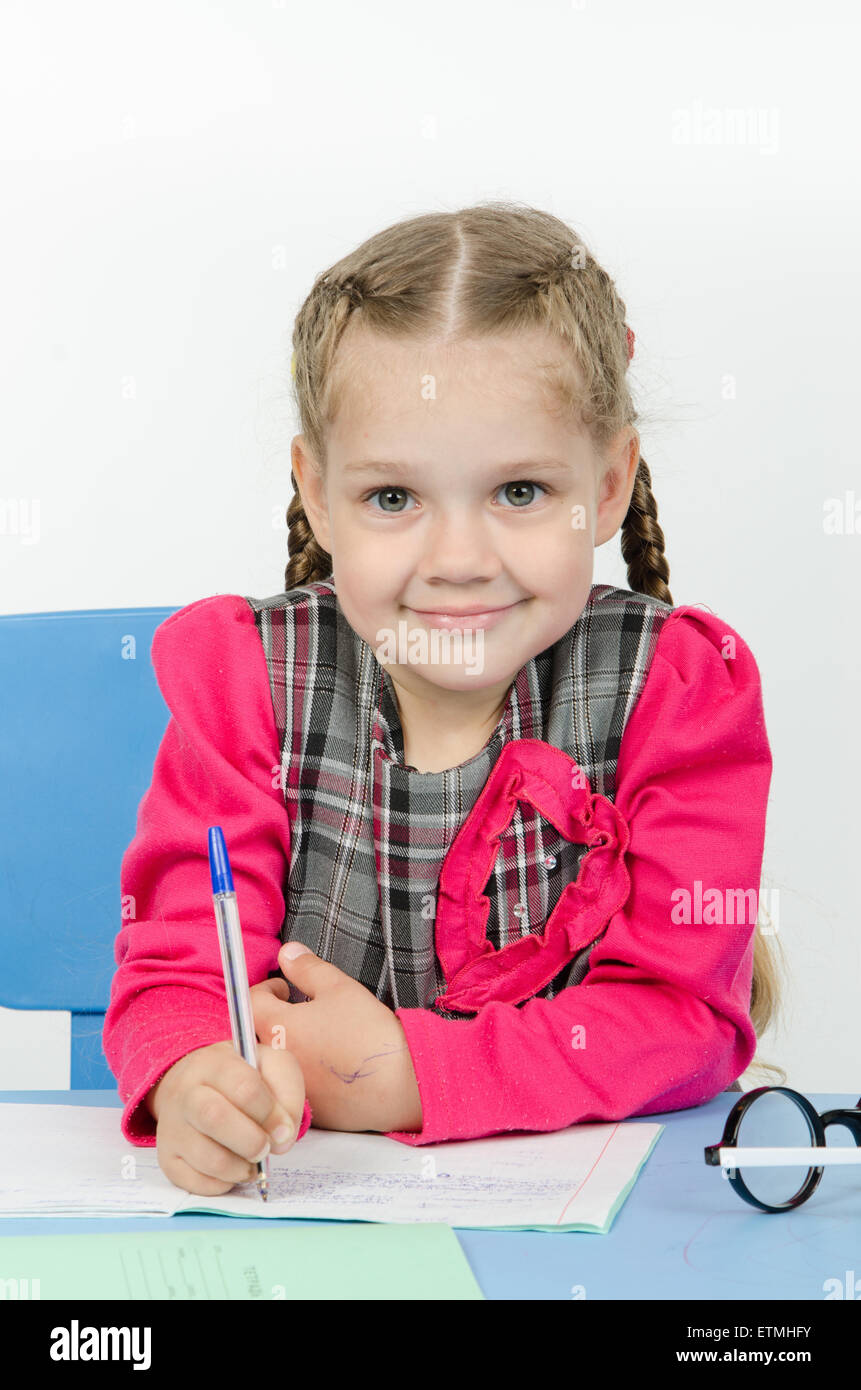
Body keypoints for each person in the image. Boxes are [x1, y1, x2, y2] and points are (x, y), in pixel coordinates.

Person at [103, 201, 784, 1199]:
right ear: (320, 490)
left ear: (607, 482)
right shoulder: (245, 680)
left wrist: (400, 1077)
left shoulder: (679, 692)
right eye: (393, 498)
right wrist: (196, 1079)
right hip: (311, 1223)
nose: (459, 561)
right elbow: (178, 981)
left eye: (519, 492)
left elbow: (680, 1025)